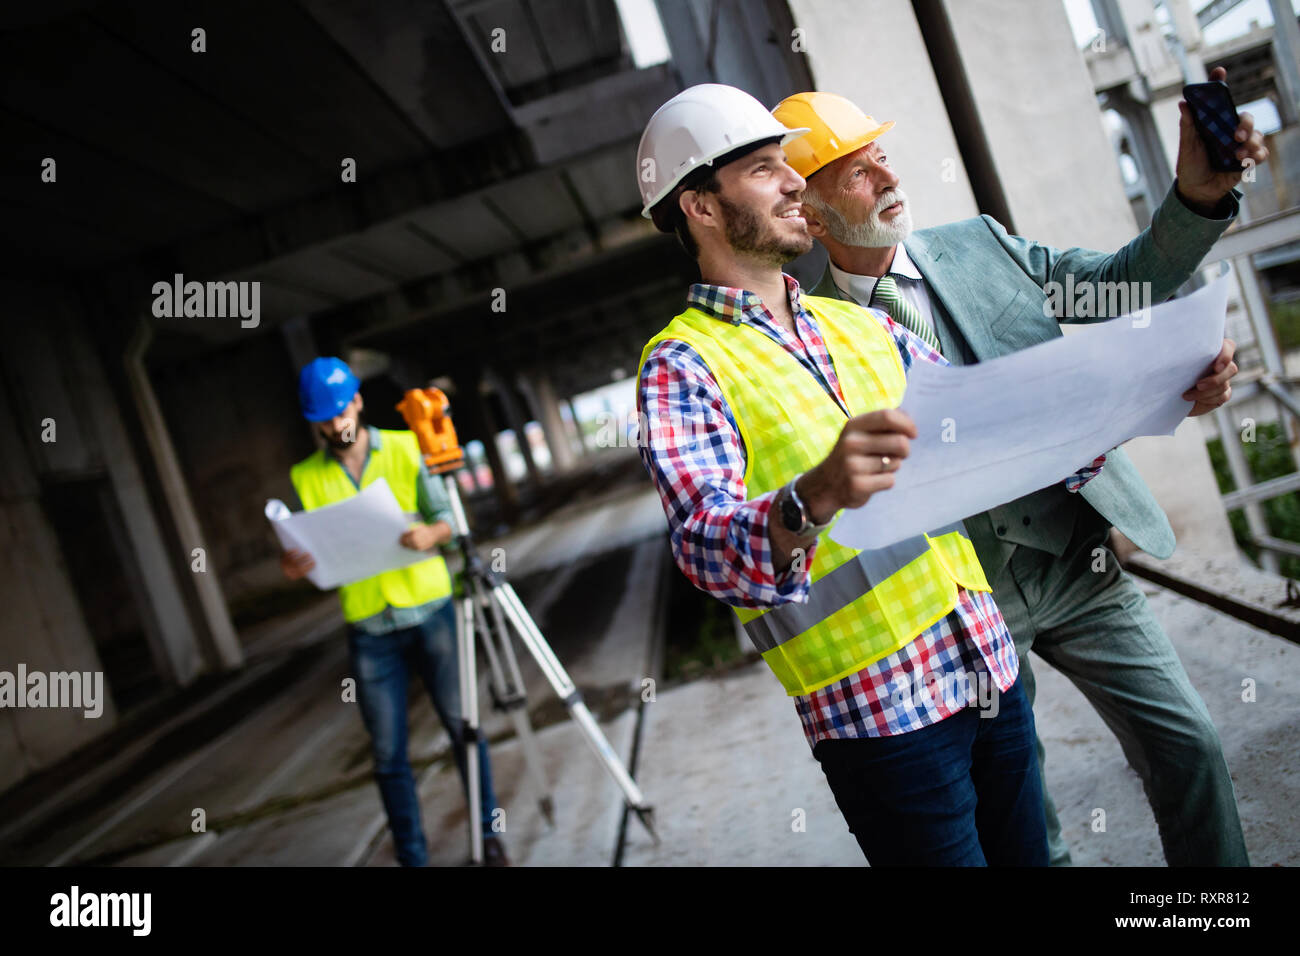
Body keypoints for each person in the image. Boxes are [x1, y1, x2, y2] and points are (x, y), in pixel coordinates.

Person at [770, 71, 1257, 866]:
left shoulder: (980, 247)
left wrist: (1197, 199)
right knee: (1029, 819)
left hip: (1075, 559)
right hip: (963, 599)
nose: (890, 176)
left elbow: (1115, 288)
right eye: (857, 171)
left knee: (1191, 746)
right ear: (814, 215)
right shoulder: (814, 336)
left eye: (882, 155)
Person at [633, 83, 1101, 864]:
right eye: (761, 169)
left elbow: (993, 428)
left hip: (985, 663)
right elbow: (705, 552)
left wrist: (1141, 393)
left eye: (787, 164)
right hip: (879, 719)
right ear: (701, 207)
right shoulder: (683, 365)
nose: (792, 183)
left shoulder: (863, 325)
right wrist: (811, 499)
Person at [282, 357, 507, 866]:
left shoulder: (407, 447)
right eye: (323, 419)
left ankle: (490, 837)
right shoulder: (305, 477)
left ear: (357, 402)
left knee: (463, 729)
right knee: (387, 756)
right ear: (312, 422)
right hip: (369, 626)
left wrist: (431, 534)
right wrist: (296, 565)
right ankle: (412, 857)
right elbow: (313, 548)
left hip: (429, 609)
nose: (335, 425)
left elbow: (448, 518)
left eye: (341, 412)